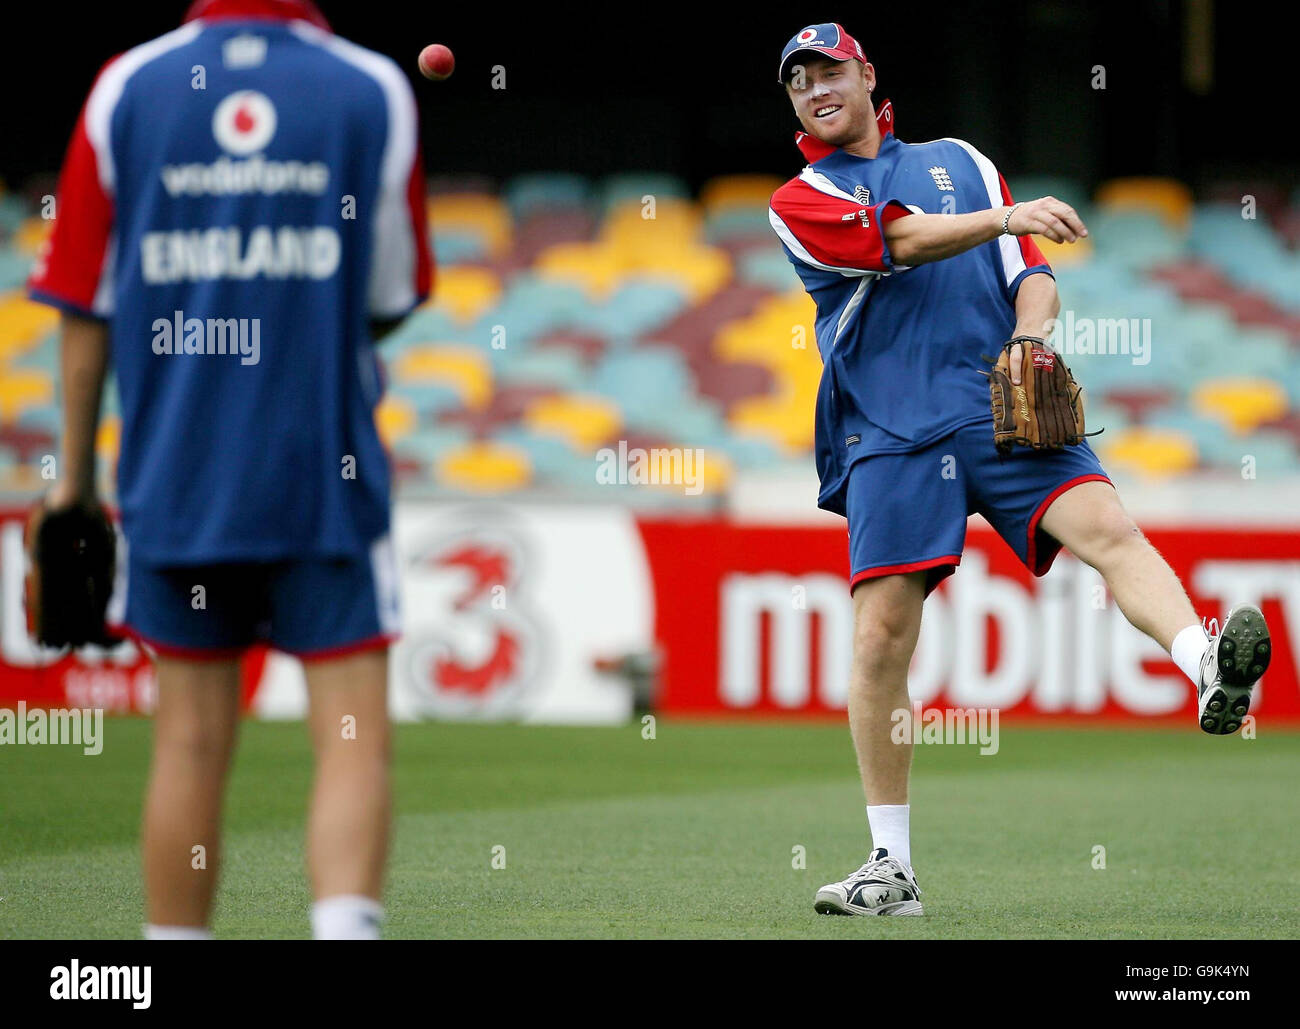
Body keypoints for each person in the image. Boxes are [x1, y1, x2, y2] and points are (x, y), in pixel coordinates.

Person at [767, 23, 1270, 917]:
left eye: (829, 68)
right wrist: (1007, 214)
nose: (815, 87)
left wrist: (1032, 334)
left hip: (1001, 401)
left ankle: (1205, 669)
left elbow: (1030, 275)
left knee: (1110, 529)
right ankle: (891, 865)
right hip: (888, 426)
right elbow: (908, 241)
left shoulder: (960, 157)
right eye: (798, 80)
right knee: (882, 637)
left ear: (867, 73)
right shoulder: (801, 196)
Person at [28, 0, 432, 939]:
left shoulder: (127, 87)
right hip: (320, 474)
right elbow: (388, 294)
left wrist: (74, 482)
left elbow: (83, 306)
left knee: (190, 741)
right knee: (349, 733)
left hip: (177, 473)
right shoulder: (370, 87)